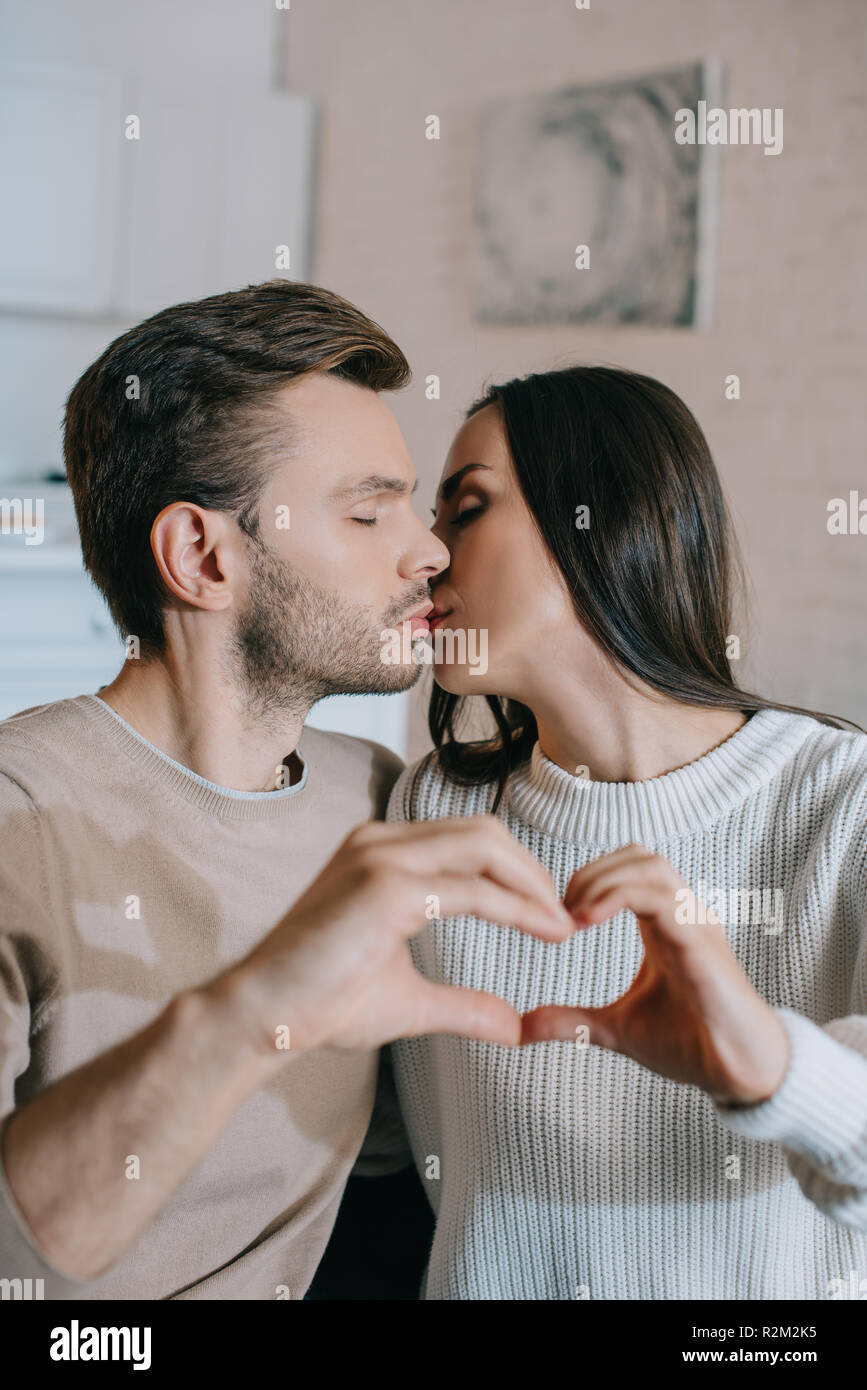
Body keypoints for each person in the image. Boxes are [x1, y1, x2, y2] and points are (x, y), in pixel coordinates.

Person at [0, 281, 574, 1301]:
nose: (430, 551)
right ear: (201, 556)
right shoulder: (20, 821)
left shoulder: (385, 807)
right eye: (367, 511)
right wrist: (255, 1009)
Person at [374, 364, 867, 1300]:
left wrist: (766, 1065)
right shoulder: (430, 811)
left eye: (466, 509)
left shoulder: (843, 804)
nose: (428, 556)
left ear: (599, 521)